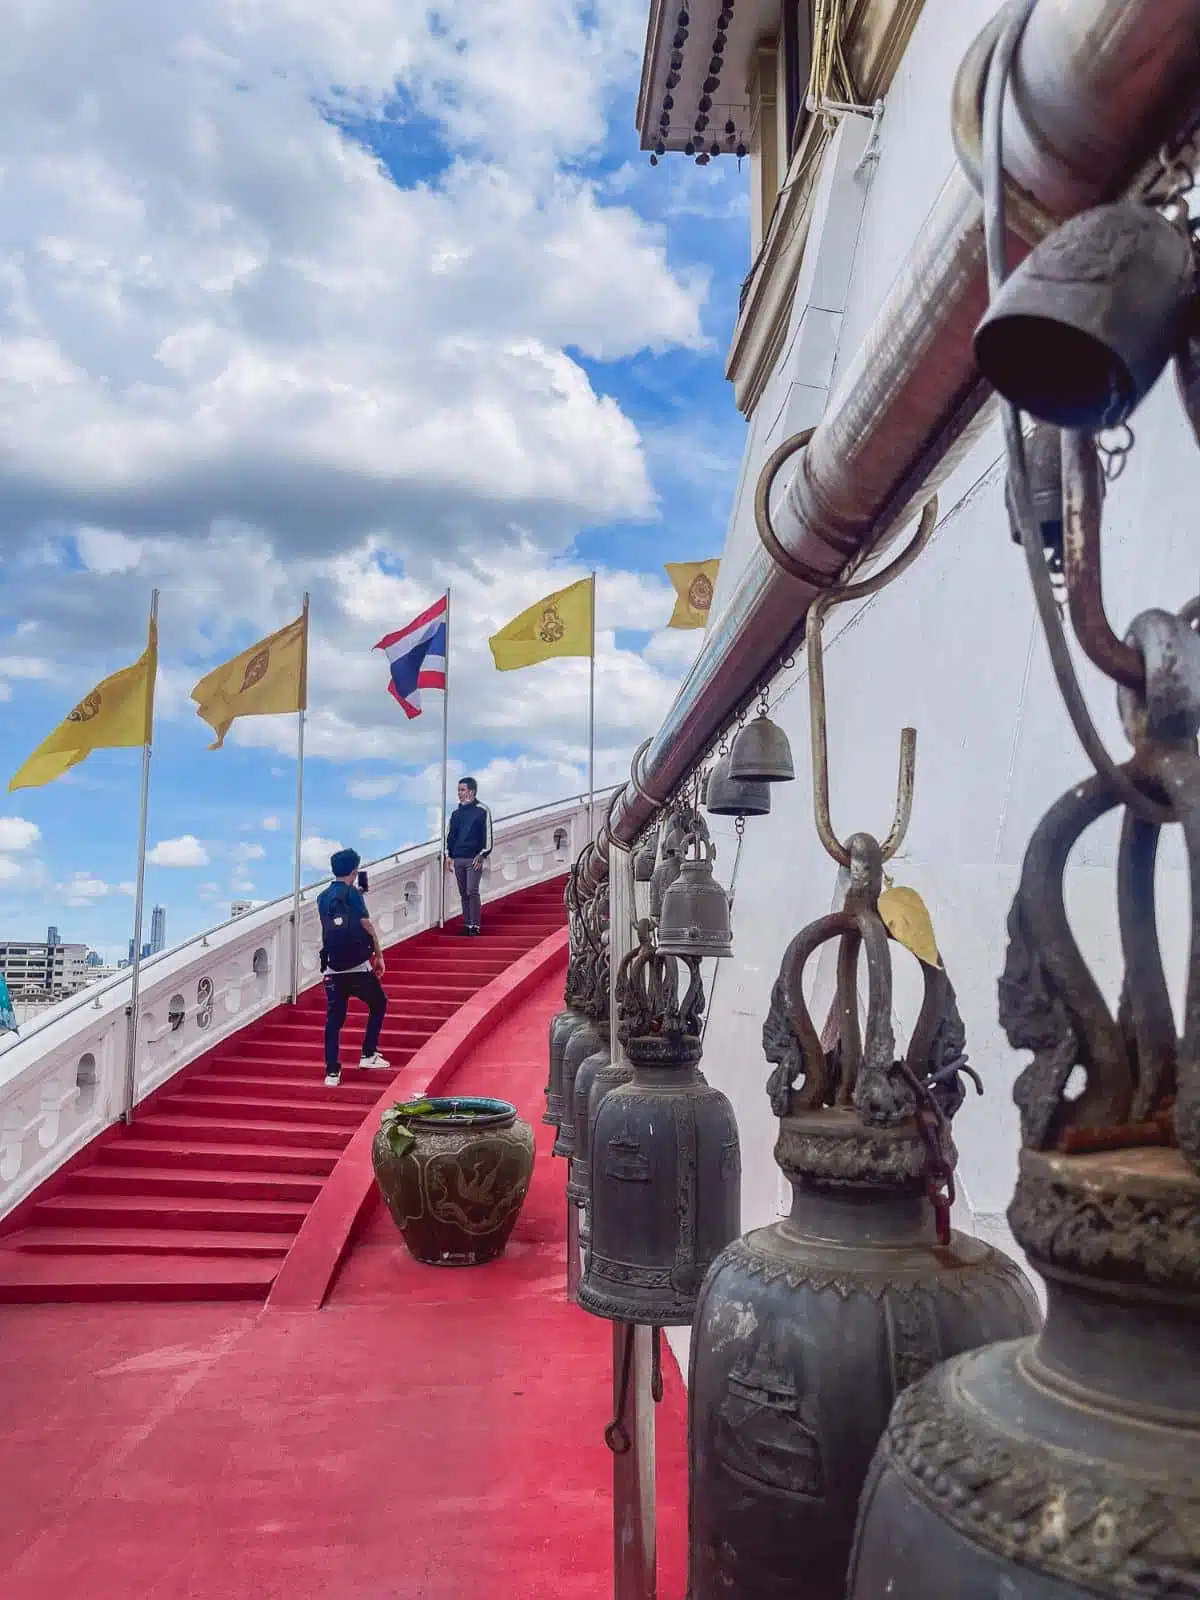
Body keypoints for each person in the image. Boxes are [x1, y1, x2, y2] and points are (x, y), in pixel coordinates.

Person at [317, 847, 390, 1087]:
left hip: (333, 969)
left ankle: (332, 1072)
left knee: (333, 1021)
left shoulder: (322, 897)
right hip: (358, 967)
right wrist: (378, 955)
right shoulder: (353, 894)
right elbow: (366, 925)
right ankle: (368, 1054)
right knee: (378, 1003)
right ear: (354, 871)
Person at [446, 776, 492, 936]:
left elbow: (487, 835)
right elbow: (451, 836)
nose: (459, 793)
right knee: (463, 893)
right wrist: (448, 855)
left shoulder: (482, 810)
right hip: (458, 858)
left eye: (462, 790)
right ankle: (467, 924)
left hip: (474, 858)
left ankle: (475, 925)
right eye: (458, 790)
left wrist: (482, 854)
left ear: (471, 791)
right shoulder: (455, 814)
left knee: (472, 890)